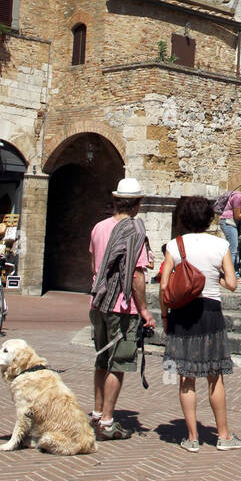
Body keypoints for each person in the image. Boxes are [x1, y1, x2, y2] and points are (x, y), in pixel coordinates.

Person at [161, 195, 241, 452]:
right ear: (210, 218)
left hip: (182, 313)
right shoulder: (220, 246)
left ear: (185, 219)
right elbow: (232, 283)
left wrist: (165, 317)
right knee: (215, 376)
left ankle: (192, 438)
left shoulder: (174, 246)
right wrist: (215, 278)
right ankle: (223, 435)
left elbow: (164, 286)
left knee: (186, 378)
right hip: (210, 311)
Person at [89, 178, 156, 440]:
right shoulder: (135, 232)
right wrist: (145, 311)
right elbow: (137, 276)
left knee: (101, 358)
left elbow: (93, 263)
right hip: (121, 305)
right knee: (118, 362)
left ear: (116, 200)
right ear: (138, 204)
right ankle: (107, 421)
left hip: (98, 302)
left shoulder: (98, 227)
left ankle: (96, 413)